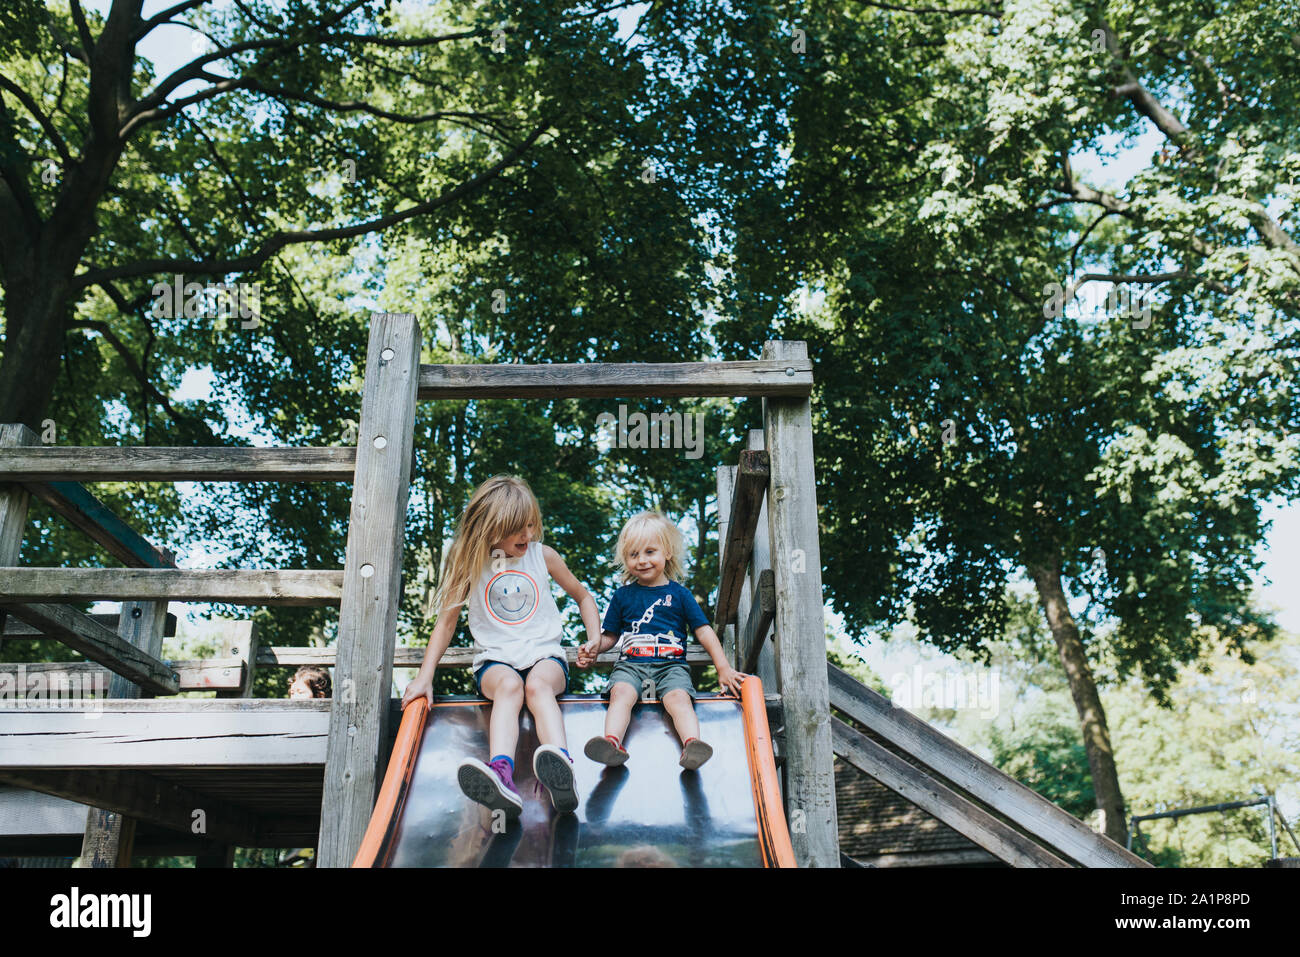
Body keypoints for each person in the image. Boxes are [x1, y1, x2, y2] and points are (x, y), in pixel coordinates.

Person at [402, 475, 602, 816]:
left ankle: (562, 769)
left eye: (530, 525)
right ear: (492, 529)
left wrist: (594, 636)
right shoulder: (471, 563)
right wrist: (425, 677)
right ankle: (501, 776)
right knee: (510, 687)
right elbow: (446, 621)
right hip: (495, 661)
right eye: (517, 529)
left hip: (544, 655)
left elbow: (583, 596)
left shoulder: (543, 556)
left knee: (538, 687)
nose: (527, 535)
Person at [577, 511, 745, 770]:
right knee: (620, 693)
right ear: (626, 559)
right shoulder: (623, 596)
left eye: (649, 552)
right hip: (630, 666)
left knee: (679, 698)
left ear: (667, 552)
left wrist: (722, 667)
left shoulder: (680, 594)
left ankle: (692, 744)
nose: (642, 561)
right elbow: (610, 636)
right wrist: (594, 646)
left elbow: (703, 631)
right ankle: (611, 742)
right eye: (634, 555)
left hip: (671, 667)